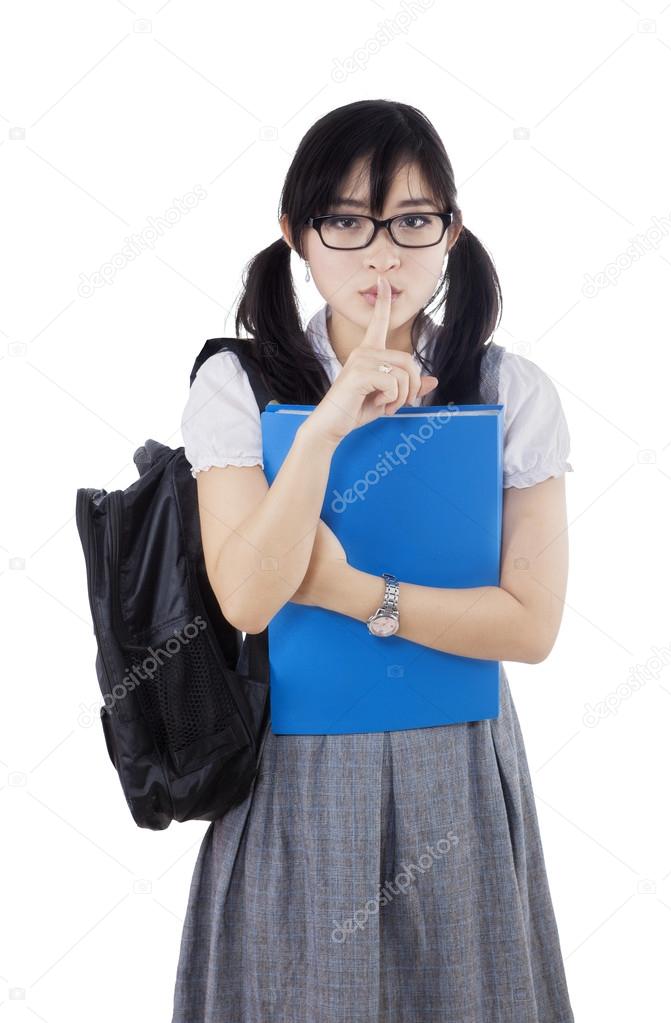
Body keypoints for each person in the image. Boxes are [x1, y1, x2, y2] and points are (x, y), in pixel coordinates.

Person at [172, 99, 576, 1023]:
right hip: (293, 765)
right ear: (296, 238)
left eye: (412, 221)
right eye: (347, 222)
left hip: (458, 763)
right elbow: (246, 596)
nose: (382, 254)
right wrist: (324, 425)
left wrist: (352, 590)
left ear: (451, 234)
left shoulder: (508, 391)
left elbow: (531, 623)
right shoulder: (236, 386)